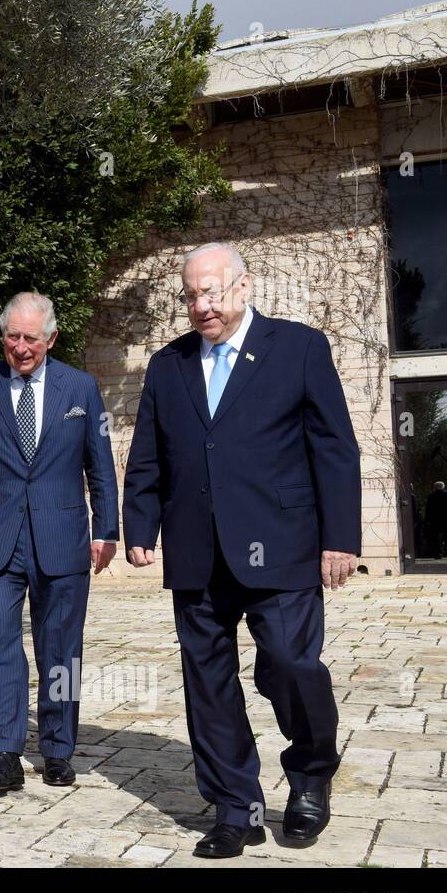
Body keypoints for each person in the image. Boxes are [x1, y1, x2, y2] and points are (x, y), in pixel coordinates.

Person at [123, 242, 360, 859]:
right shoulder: (167, 365)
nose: (202, 306)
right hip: (197, 551)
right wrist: (140, 526)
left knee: (289, 663)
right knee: (208, 682)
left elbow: (335, 447)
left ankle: (310, 776)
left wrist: (340, 538)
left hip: (281, 545)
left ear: (244, 286)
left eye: (213, 292)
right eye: (192, 295)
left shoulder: (299, 348)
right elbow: (148, 454)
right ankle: (237, 807)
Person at [0, 292, 118, 794]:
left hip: (62, 538)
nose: (20, 347)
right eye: (12, 336)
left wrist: (106, 530)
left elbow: (100, 466)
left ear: (51, 338)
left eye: (31, 338)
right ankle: (2, 753)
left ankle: (59, 749)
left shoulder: (80, 389)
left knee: (61, 649)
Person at [422, 481, 447, 558]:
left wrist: (427, 521)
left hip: (435, 520)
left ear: (435, 487)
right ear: (443, 486)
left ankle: (438, 553)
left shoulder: (431, 496)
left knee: (436, 538)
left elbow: (428, 510)